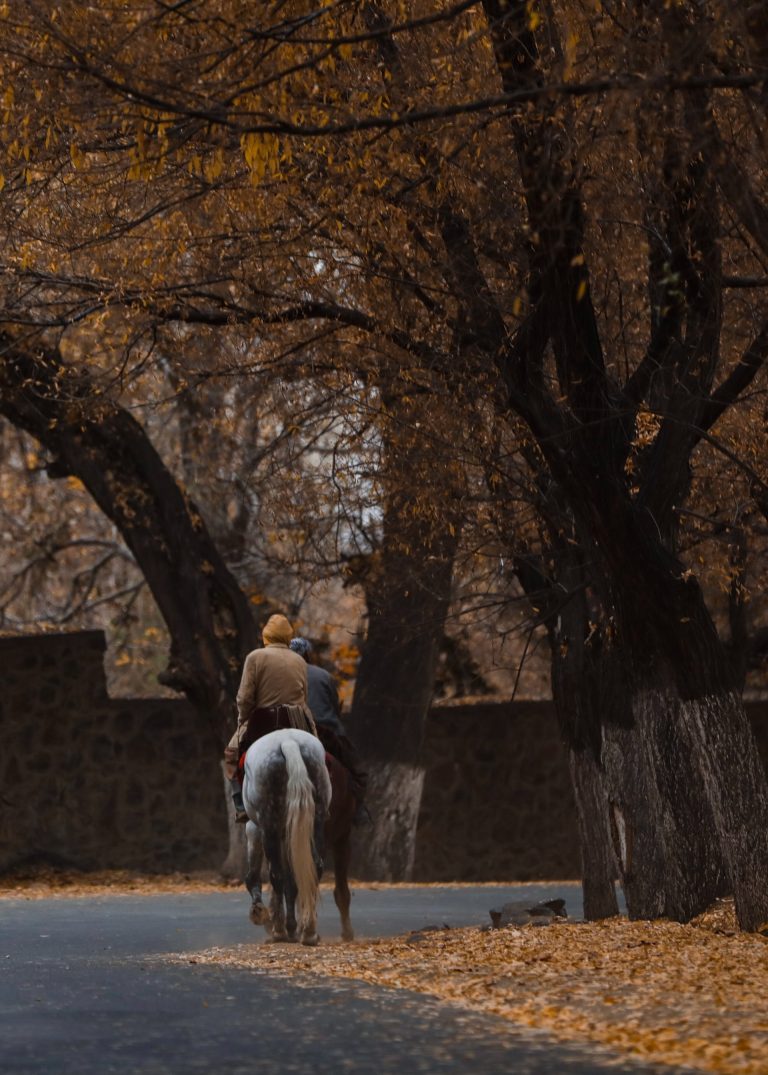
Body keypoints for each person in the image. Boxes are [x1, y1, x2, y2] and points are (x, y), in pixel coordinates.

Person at [224, 613, 317, 822]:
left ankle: (240, 805)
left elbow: (244, 698)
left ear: (266, 636)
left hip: (263, 719)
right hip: (295, 719)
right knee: (319, 752)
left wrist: (243, 720)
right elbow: (304, 697)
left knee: (230, 755)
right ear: (287, 636)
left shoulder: (255, 657)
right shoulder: (299, 661)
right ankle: (319, 800)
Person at [289, 637, 369, 823]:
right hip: (325, 731)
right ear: (308, 653)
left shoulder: (280, 677)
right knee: (356, 769)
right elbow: (334, 705)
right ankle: (359, 809)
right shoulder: (324, 676)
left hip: (292, 730)